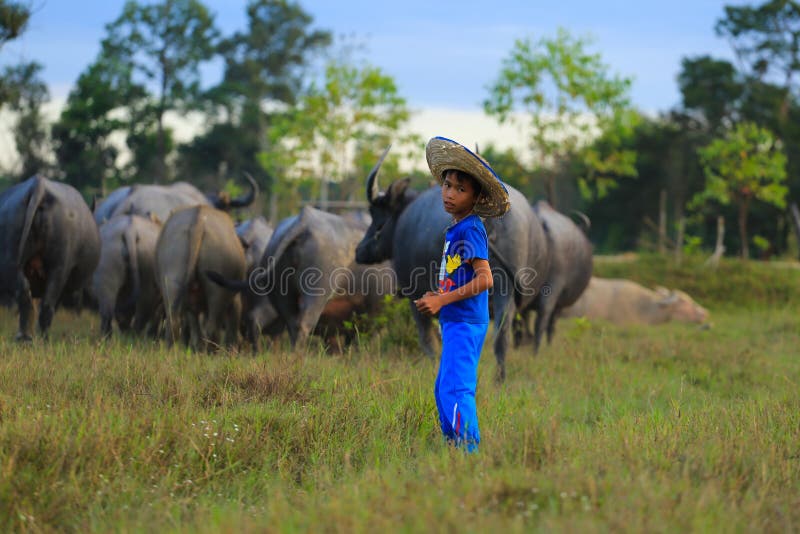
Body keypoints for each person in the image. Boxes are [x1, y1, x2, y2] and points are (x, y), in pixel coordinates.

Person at [415, 136, 510, 452]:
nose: (450, 194)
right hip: (454, 320)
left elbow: (485, 280)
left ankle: (469, 452)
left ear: (475, 197)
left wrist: (442, 299)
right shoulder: (456, 229)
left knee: (456, 389)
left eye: (460, 189)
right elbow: (460, 275)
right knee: (443, 388)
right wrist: (441, 292)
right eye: (447, 185)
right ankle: (453, 448)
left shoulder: (470, 229)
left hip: (466, 323)